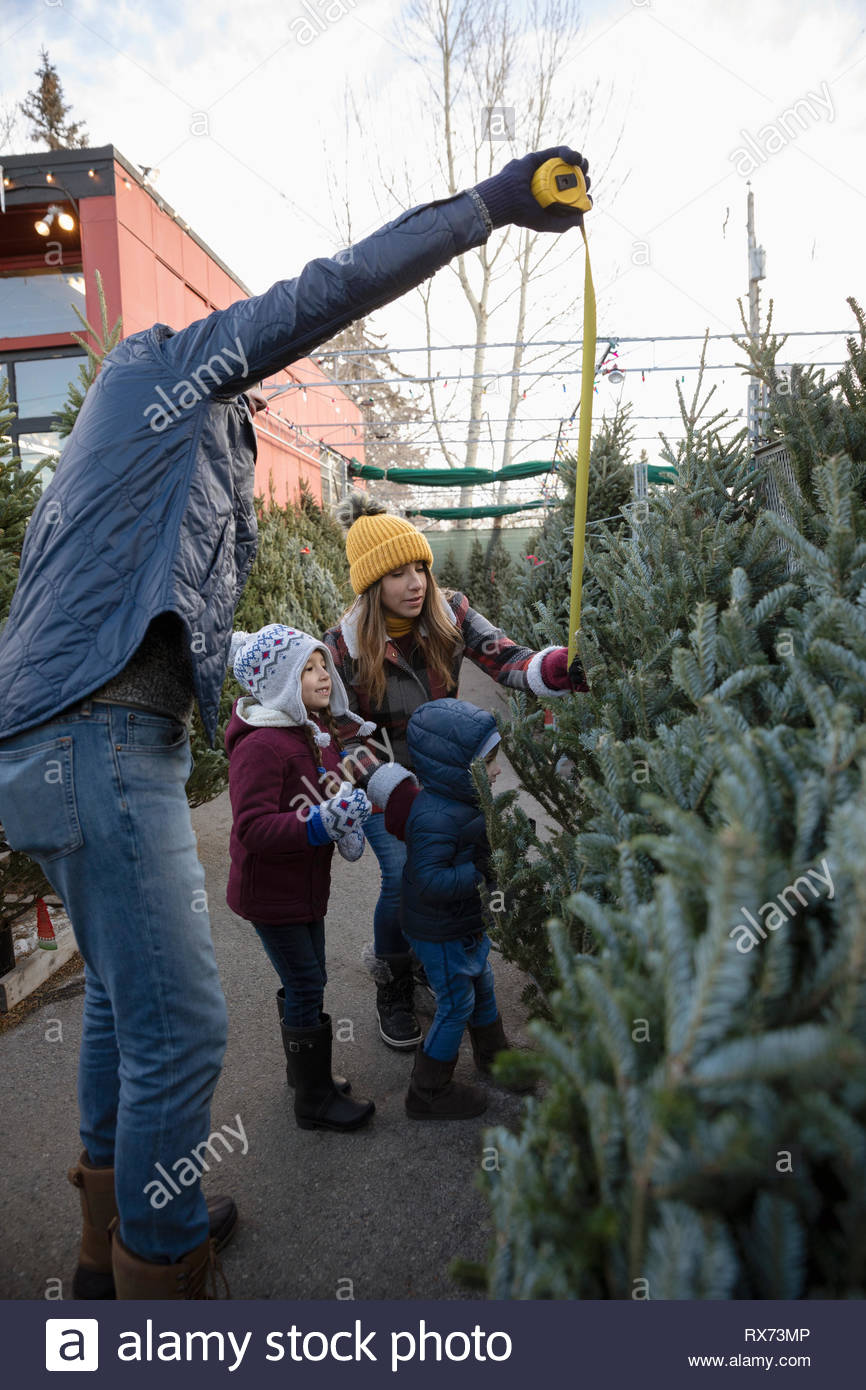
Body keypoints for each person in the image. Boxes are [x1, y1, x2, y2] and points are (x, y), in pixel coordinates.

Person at [0, 143, 589, 1298]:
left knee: (120, 1005)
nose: (255, 401)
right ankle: (162, 1282)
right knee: (182, 1028)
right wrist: (484, 206)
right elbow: (327, 291)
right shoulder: (160, 370)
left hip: (67, 741)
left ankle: (104, 1239)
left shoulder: (121, 466)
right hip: (99, 736)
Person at [322, 494, 590, 1051]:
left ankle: (433, 961)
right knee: (402, 875)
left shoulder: (453, 611)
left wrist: (550, 667)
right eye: (397, 573)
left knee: (459, 868)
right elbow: (346, 735)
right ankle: (392, 983)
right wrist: (395, 796)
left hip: (452, 776)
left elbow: (506, 656)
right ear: (372, 585)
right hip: (387, 785)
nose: (416, 582)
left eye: (420, 566)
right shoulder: (343, 647)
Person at [225, 624, 376, 1132]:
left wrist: (343, 814)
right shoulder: (262, 747)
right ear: (279, 682)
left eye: (322, 666)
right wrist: (319, 823)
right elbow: (252, 827)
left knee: (306, 977)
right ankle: (312, 1099)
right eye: (306, 669)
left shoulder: (307, 733)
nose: (321, 677)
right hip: (272, 894)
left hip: (304, 890)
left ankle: (304, 1073)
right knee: (307, 980)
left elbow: (329, 788)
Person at [397, 698, 520, 1120]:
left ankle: (494, 1058)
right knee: (456, 1004)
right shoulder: (436, 816)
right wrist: (480, 873)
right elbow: (429, 881)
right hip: (440, 931)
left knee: (482, 982)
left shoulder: (461, 803)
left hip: (462, 922)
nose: (497, 771)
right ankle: (428, 1091)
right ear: (457, 767)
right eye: (488, 764)